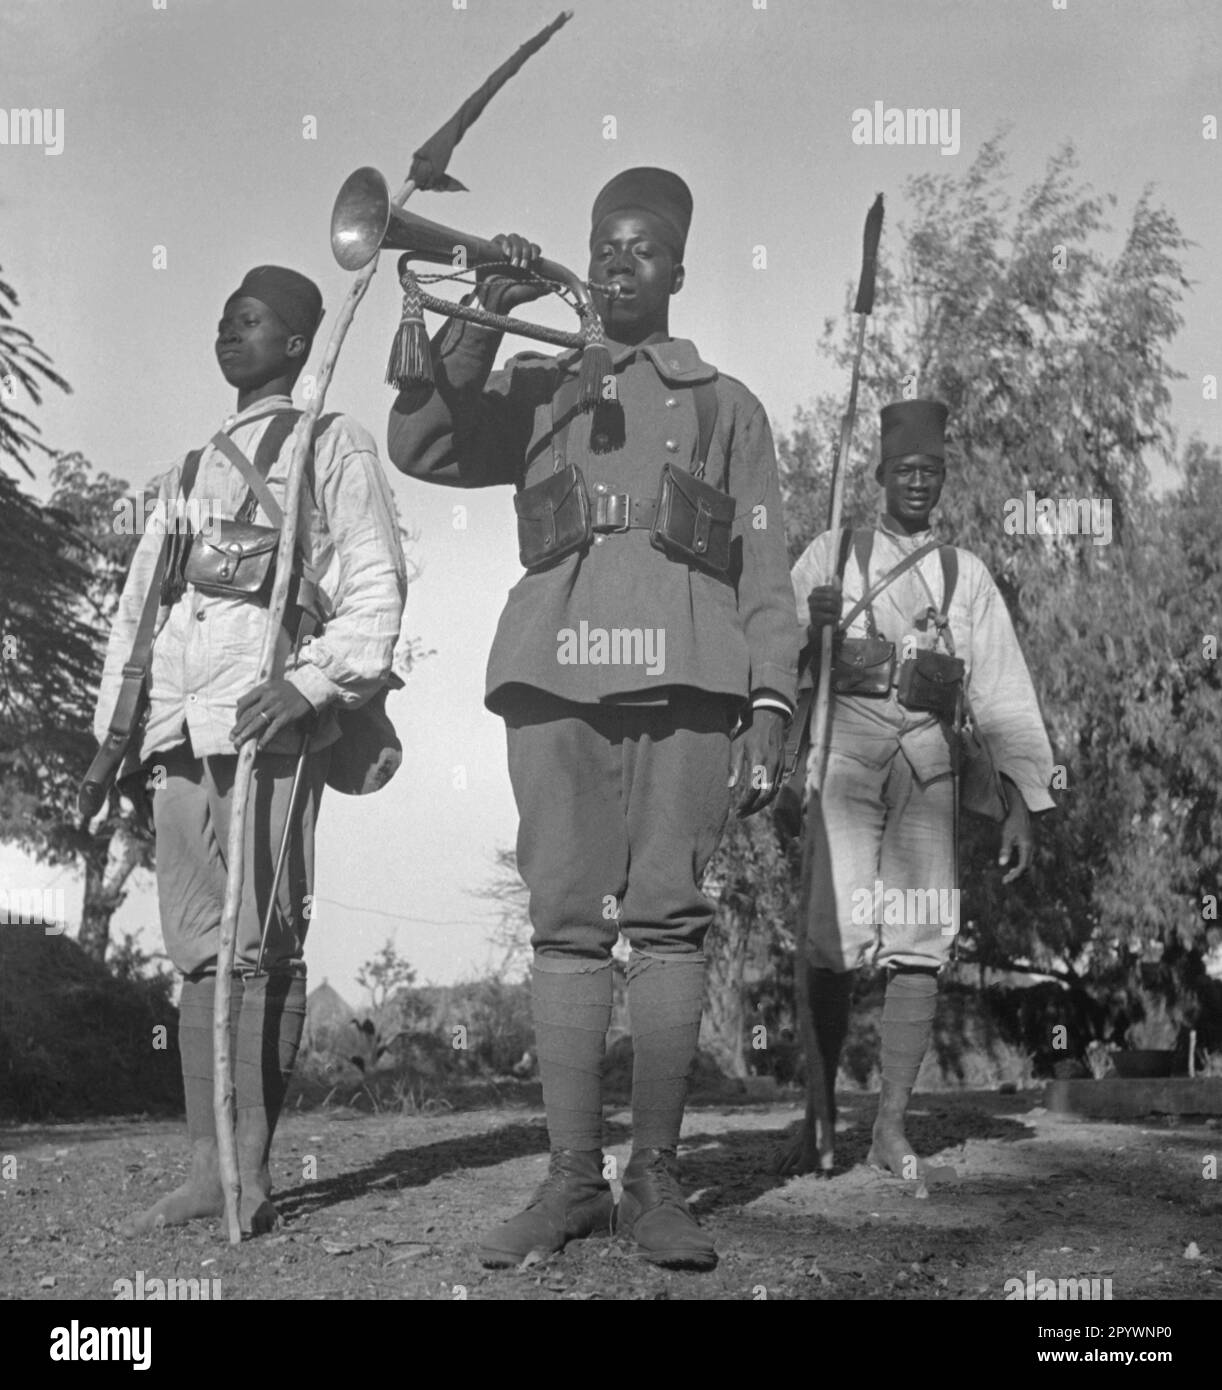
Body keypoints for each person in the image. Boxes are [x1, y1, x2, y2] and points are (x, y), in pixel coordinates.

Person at [388, 168, 800, 1270]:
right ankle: (573, 1180)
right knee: (565, 918)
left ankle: (655, 1179)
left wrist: (771, 699)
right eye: (602, 244)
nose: (618, 261)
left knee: (668, 919)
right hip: (554, 666)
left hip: (690, 672)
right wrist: (479, 312)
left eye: (641, 248)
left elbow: (766, 570)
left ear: (678, 271)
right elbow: (423, 446)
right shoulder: (541, 382)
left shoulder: (728, 404)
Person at [92, 265, 406, 1236]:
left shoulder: (333, 443)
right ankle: (204, 1171)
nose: (231, 330)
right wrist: (112, 743)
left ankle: (252, 1174)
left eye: (254, 319)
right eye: (226, 317)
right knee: (198, 955)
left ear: (299, 342)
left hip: (267, 728)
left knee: (261, 947)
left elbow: (376, 586)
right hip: (177, 732)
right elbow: (137, 615)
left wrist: (309, 684)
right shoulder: (188, 471)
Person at [786, 399, 1054, 1179]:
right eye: (904, 469)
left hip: (929, 756)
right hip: (844, 746)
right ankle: (819, 1115)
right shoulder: (832, 552)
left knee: (922, 936)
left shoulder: (963, 574)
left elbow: (1002, 692)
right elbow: (769, 642)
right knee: (831, 937)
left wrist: (1022, 803)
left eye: (930, 471)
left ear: (942, 479)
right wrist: (812, 626)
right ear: (879, 474)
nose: (917, 483)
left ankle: (890, 1127)